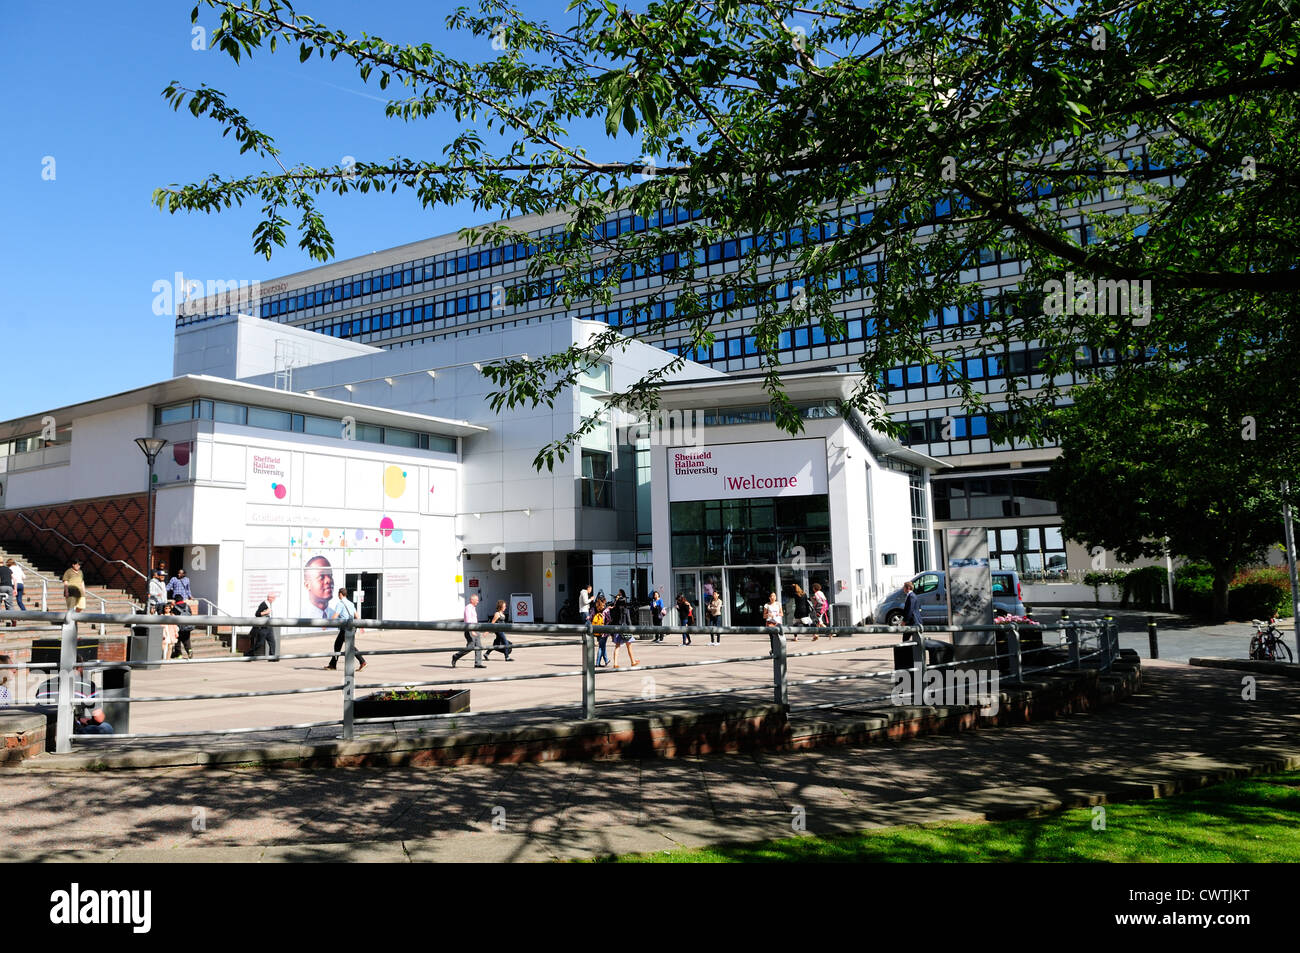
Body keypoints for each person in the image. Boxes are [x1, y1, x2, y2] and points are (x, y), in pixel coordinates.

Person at [325, 587, 366, 671]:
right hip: (352, 627)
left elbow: (335, 616)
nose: (338, 596)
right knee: (338, 645)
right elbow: (357, 616)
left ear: (340, 594)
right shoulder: (350, 603)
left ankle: (362, 661)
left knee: (348, 646)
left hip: (345, 628)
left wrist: (326, 624)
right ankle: (333, 664)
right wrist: (361, 626)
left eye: (338, 594)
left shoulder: (340, 603)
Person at [452, 594, 487, 668]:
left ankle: (478, 663)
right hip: (470, 630)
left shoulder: (473, 608)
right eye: (476, 600)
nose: (478, 601)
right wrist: (472, 630)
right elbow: (468, 620)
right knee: (470, 647)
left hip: (476, 629)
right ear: (472, 600)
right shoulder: (468, 608)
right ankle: (456, 656)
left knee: (479, 646)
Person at [245, 593, 279, 660]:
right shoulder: (263, 604)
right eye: (273, 598)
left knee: (272, 642)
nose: (274, 599)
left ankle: (272, 657)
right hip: (263, 628)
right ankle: (248, 654)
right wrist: (266, 612)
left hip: (269, 626)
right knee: (259, 643)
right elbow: (257, 614)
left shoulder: (269, 604)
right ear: (269, 598)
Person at [610, 595, 639, 668]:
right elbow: (629, 621)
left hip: (617, 629)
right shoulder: (626, 610)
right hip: (625, 630)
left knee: (617, 646)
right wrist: (631, 629)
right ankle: (633, 661)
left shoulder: (615, 609)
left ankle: (615, 663)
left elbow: (613, 620)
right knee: (629, 646)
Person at [170, 594, 194, 659]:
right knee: (187, 640)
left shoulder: (175, 607)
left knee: (177, 641)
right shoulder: (187, 606)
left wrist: (172, 607)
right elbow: (190, 614)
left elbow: (172, 616)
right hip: (187, 626)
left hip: (179, 627)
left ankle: (179, 655)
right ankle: (189, 651)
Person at [591, 596, 610, 667]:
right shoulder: (606, 610)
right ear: (604, 601)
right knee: (601, 647)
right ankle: (597, 662)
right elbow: (608, 620)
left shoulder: (594, 609)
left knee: (602, 646)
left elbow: (591, 618)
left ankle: (606, 660)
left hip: (596, 629)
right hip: (604, 630)